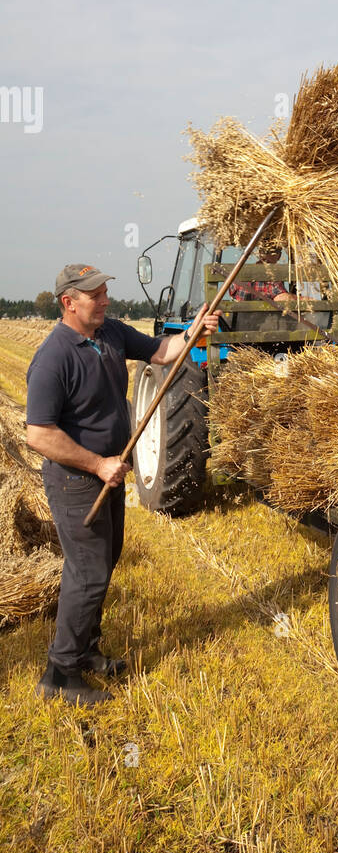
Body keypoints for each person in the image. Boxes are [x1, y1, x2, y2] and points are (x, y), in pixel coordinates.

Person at [25, 263, 222, 706]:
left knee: (105, 562)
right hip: (78, 481)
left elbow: (162, 352)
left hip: (109, 475)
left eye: (105, 291)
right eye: (95, 295)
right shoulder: (54, 357)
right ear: (68, 302)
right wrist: (97, 465)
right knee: (88, 574)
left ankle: (88, 650)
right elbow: (38, 434)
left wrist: (193, 331)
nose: (106, 300)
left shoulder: (111, 333)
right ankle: (60, 674)